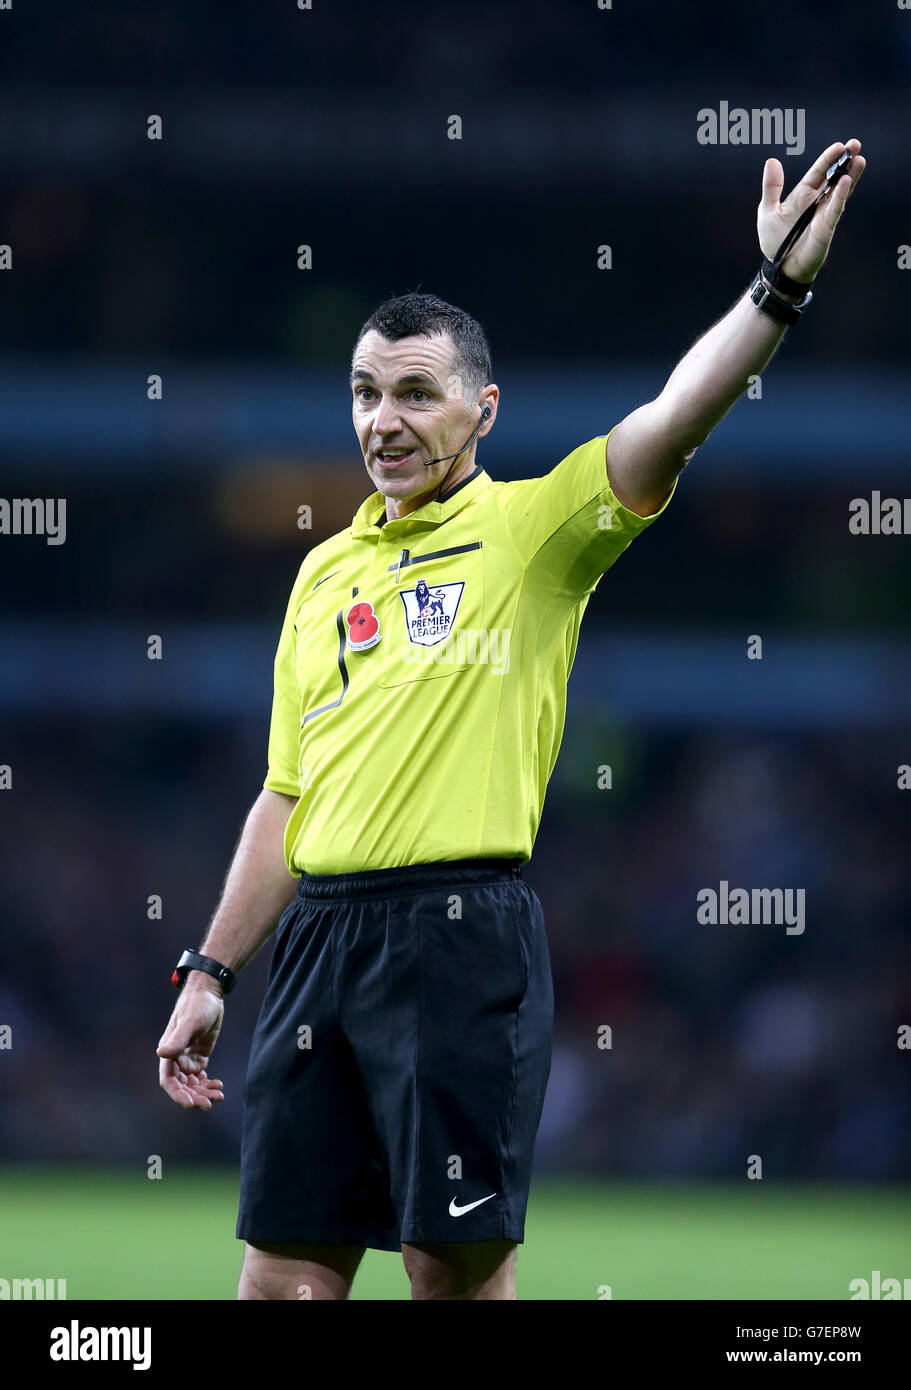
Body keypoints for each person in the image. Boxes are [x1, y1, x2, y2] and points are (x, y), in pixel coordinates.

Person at [157, 140, 864, 1300]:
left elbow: (673, 417)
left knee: (452, 1279)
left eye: (415, 394)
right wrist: (210, 969)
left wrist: (773, 291)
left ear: (482, 410)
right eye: (365, 393)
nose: (383, 421)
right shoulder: (324, 574)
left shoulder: (539, 532)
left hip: (456, 940)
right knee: (279, 1283)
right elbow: (287, 795)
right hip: (316, 949)